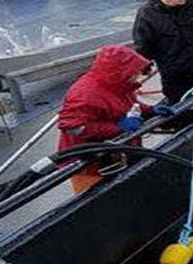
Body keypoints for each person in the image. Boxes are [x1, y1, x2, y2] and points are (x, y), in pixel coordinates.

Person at [57, 44, 174, 193]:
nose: (137, 76)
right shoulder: (84, 94)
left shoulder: (119, 85)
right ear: (118, 72)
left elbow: (130, 106)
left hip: (116, 153)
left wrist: (150, 111)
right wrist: (118, 128)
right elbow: (73, 127)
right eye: (133, 73)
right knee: (98, 204)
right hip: (90, 163)